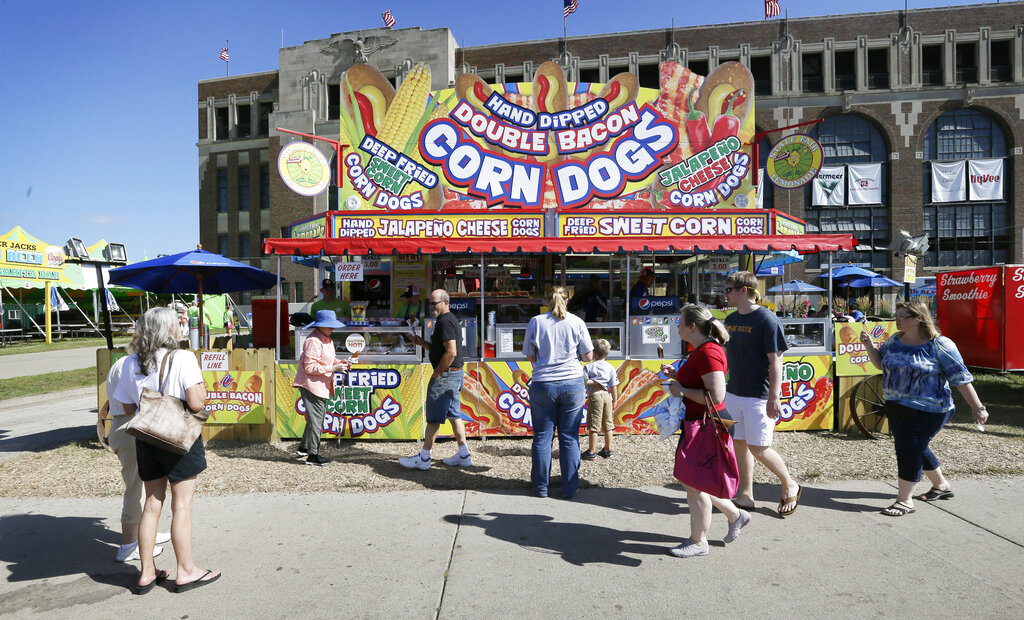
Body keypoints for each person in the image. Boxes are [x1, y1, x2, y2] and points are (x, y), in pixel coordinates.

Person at [112, 307, 220, 594]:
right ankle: (186, 570)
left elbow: (127, 407)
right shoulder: (183, 357)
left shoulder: (130, 362)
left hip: (147, 438)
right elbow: (196, 403)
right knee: (181, 505)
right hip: (178, 438)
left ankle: (147, 571)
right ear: (171, 330)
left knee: (152, 503)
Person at [860, 300, 988, 517]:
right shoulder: (894, 341)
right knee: (916, 446)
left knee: (909, 448)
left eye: (902, 317)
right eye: (896, 316)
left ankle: (904, 500)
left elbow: (961, 378)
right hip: (896, 406)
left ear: (919, 318)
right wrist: (869, 346)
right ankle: (941, 486)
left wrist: (978, 407)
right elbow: (881, 364)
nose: (897, 320)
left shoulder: (940, 345)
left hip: (930, 409)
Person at [661, 305, 751, 557]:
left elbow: (717, 395)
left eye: (680, 322)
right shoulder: (701, 350)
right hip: (700, 423)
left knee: (693, 482)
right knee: (690, 479)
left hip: (707, 424)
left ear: (693, 327)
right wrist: (678, 376)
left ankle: (699, 542)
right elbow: (701, 382)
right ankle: (735, 514)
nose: (677, 326)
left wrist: (681, 390)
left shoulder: (708, 351)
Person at [722, 271, 802, 517]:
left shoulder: (767, 319)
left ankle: (790, 483)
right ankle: (745, 494)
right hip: (734, 391)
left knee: (759, 447)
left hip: (759, 394)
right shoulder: (731, 319)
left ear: (743, 290)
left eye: (729, 289)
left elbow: (776, 360)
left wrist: (774, 397)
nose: (725, 294)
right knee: (739, 443)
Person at [97, 338, 171, 563]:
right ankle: (129, 546)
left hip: (123, 425)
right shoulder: (132, 365)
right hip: (130, 426)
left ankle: (145, 533)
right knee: (135, 487)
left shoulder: (121, 363)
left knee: (146, 483)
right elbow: (135, 402)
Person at [523, 286, 594, 499]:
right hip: (572, 383)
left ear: (547, 301)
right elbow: (588, 356)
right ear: (567, 301)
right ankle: (569, 488)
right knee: (569, 437)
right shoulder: (577, 322)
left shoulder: (536, 322)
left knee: (542, 438)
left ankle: (541, 488)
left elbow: (530, 356)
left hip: (543, 383)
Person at [399, 289, 472, 469]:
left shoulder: (445, 321)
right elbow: (441, 350)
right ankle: (464, 455)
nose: (431, 306)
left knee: (433, 419)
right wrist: (421, 342)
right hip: (454, 375)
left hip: (446, 376)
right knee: (455, 415)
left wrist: (438, 372)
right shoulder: (448, 319)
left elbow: (451, 352)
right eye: (430, 303)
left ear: (446, 302)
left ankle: (424, 458)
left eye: (434, 303)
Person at [293, 310, 352, 466]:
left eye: (333, 326)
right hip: (311, 385)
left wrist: (341, 363)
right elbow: (310, 367)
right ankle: (313, 455)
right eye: (329, 325)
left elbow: (328, 360)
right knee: (316, 420)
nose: (332, 328)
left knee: (315, 418)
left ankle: (304, 448)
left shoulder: (326, 339)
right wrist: (334, 368)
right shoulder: (313, 341)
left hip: (318, 384)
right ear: (319, 325)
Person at [581, 339, 618, 461]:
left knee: (594, 425)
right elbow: (614, 385)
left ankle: (591, 452)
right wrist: (615, 400)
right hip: (607, 396)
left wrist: (594, 382)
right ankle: (607, 450)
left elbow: (583, 381)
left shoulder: (589, 367)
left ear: (594, 353)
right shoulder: (610, 367)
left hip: (595, 396)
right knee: (608, 424)